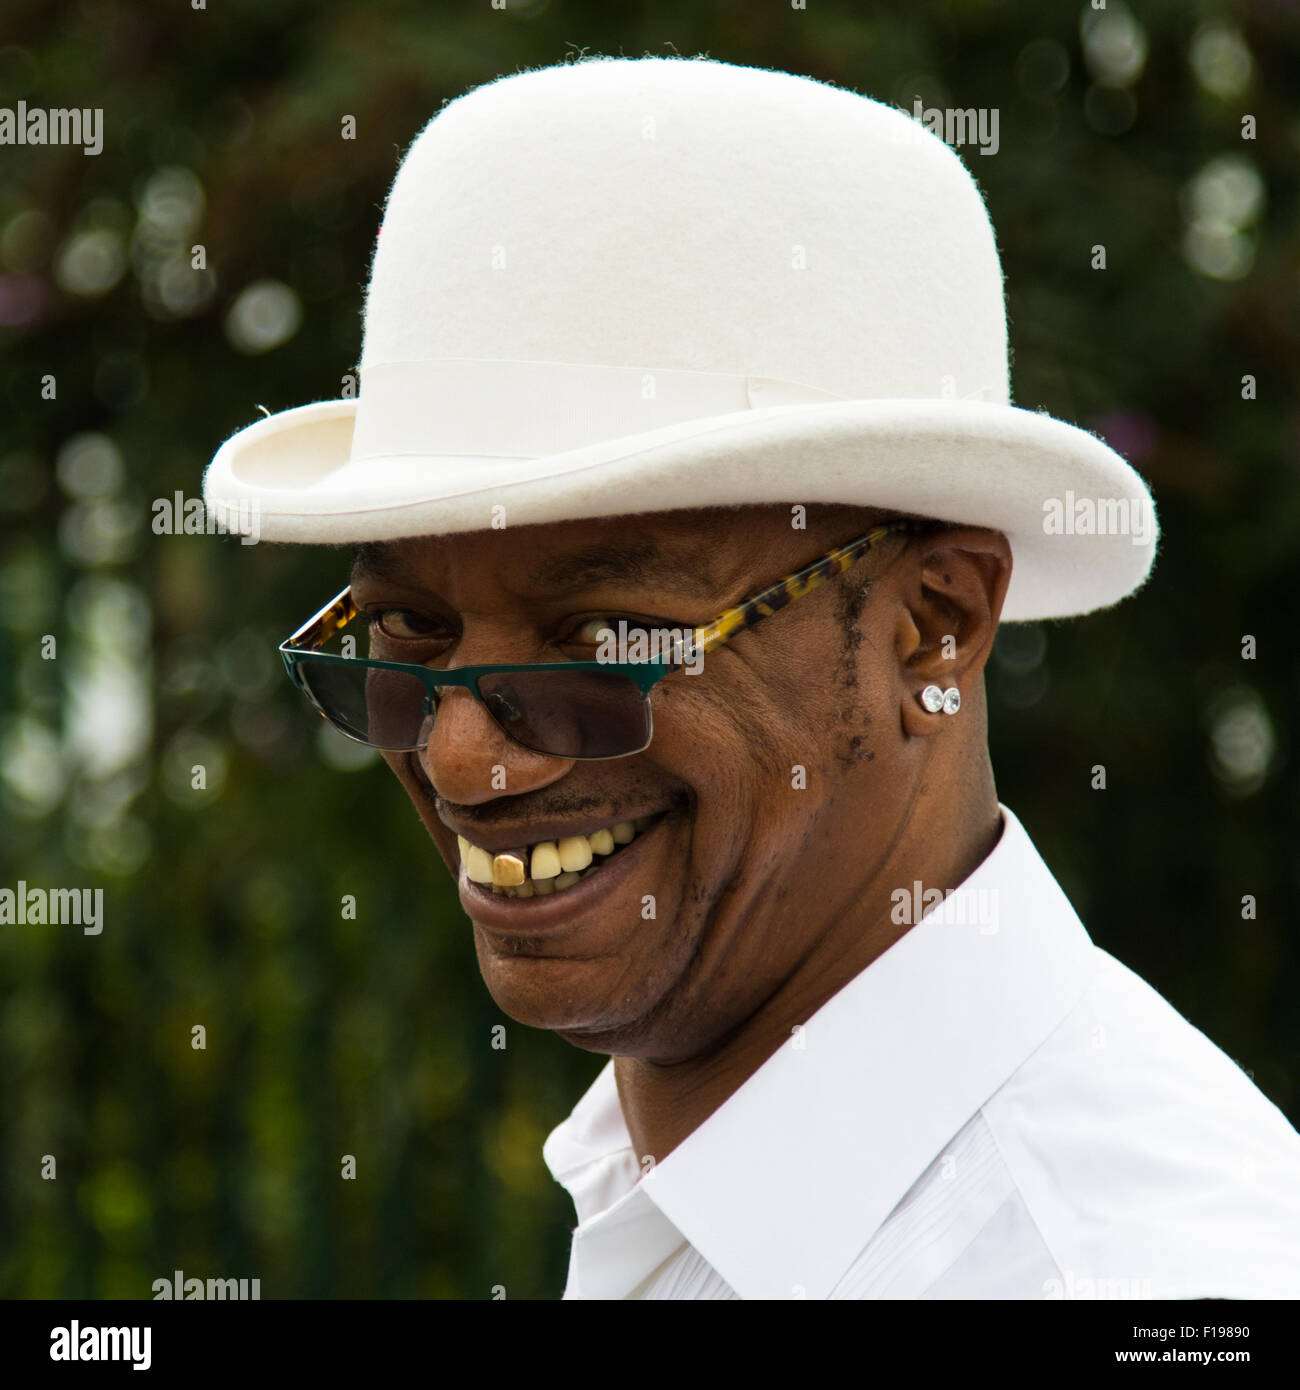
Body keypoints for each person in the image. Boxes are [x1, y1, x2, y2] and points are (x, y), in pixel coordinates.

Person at [205, 55, 1300, 1299]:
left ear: (932, 628)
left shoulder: (1141, 1281)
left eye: (605, 639)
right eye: (405, 629)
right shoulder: (669, 1178)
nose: (462, 756)